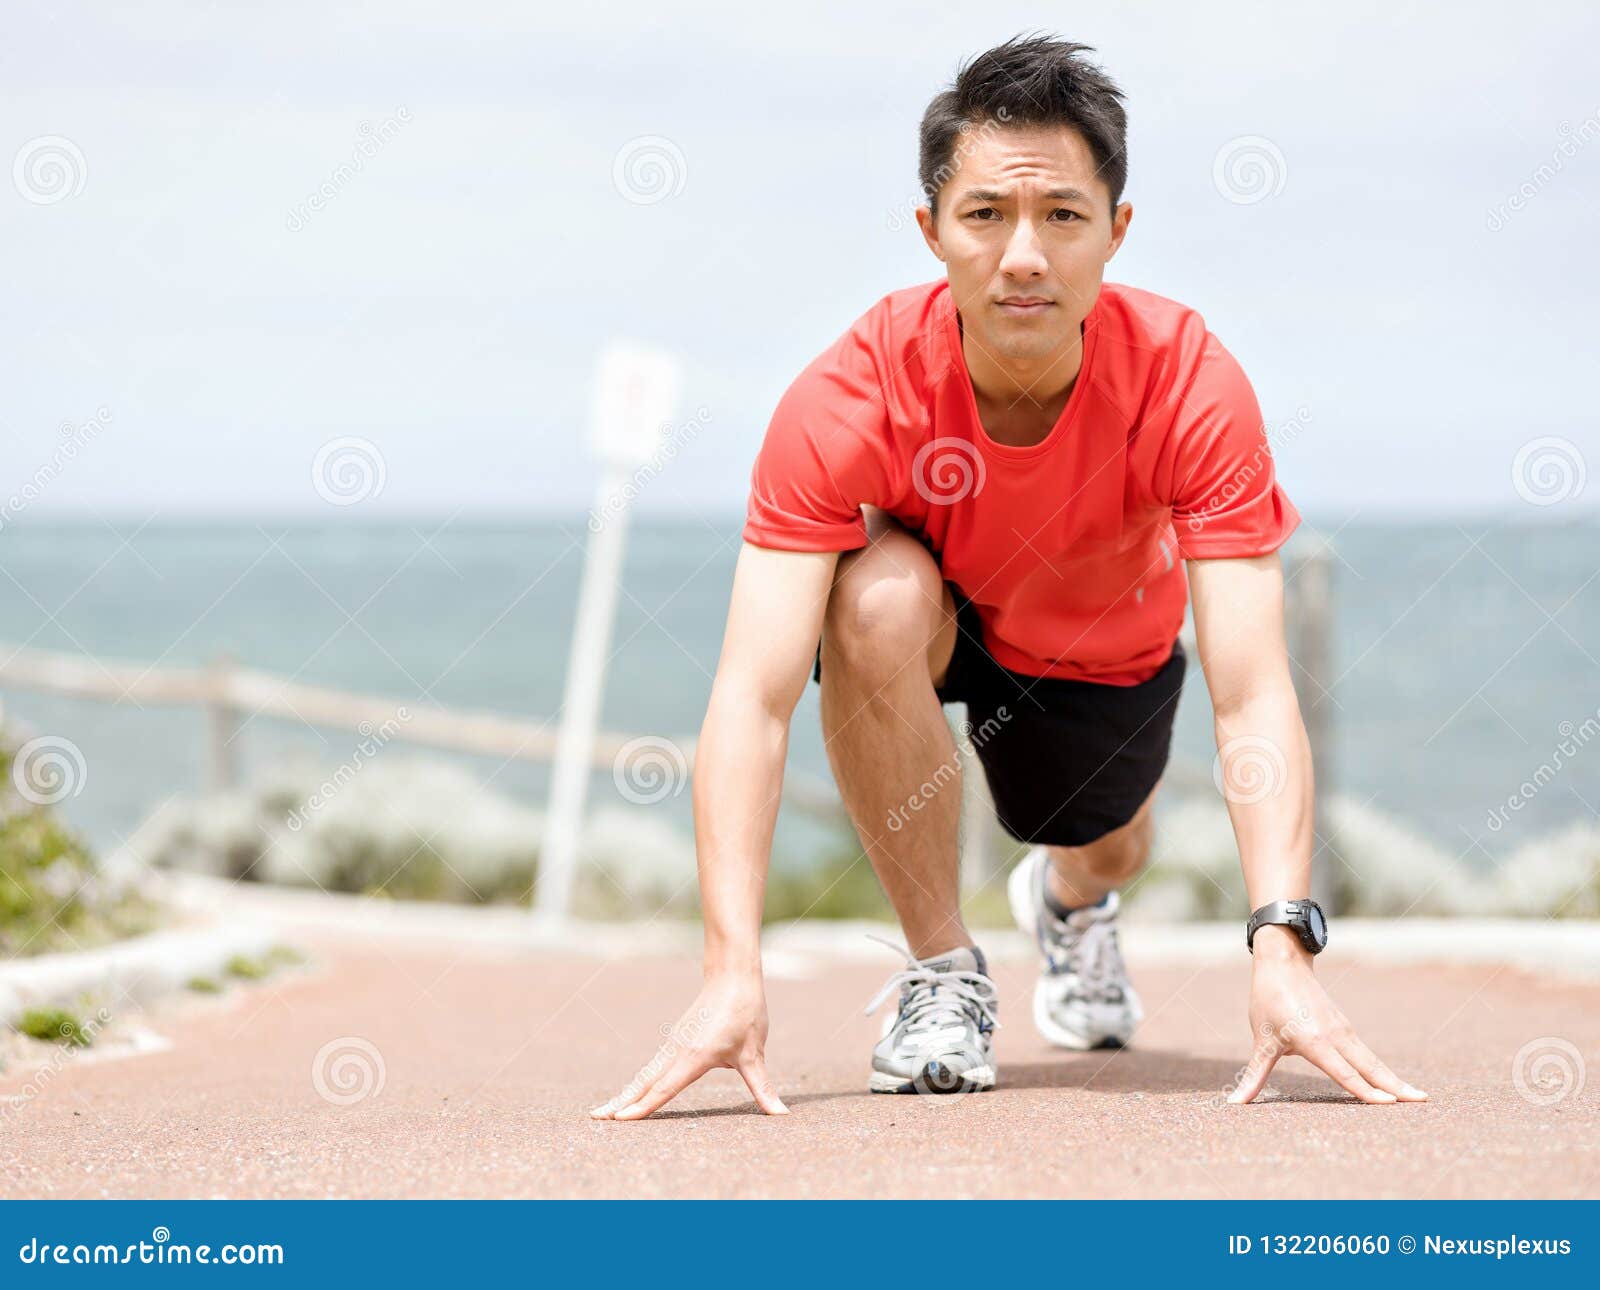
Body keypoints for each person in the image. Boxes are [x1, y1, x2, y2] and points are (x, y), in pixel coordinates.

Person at [591, 34, 1427, 1119]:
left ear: (1114, 232)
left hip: (1096, 646)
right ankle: (942, 974)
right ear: (932, 229)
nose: (1022, 256)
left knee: (1104, 843)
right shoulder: (846, 396)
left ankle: (1070, 906)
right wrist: (728, 972)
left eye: (1061, 217)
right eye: (985, 215)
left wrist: (1282, 945)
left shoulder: (1190, 385)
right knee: (875, 597)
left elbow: (1253, 691)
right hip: (938, 610)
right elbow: (749, 701)